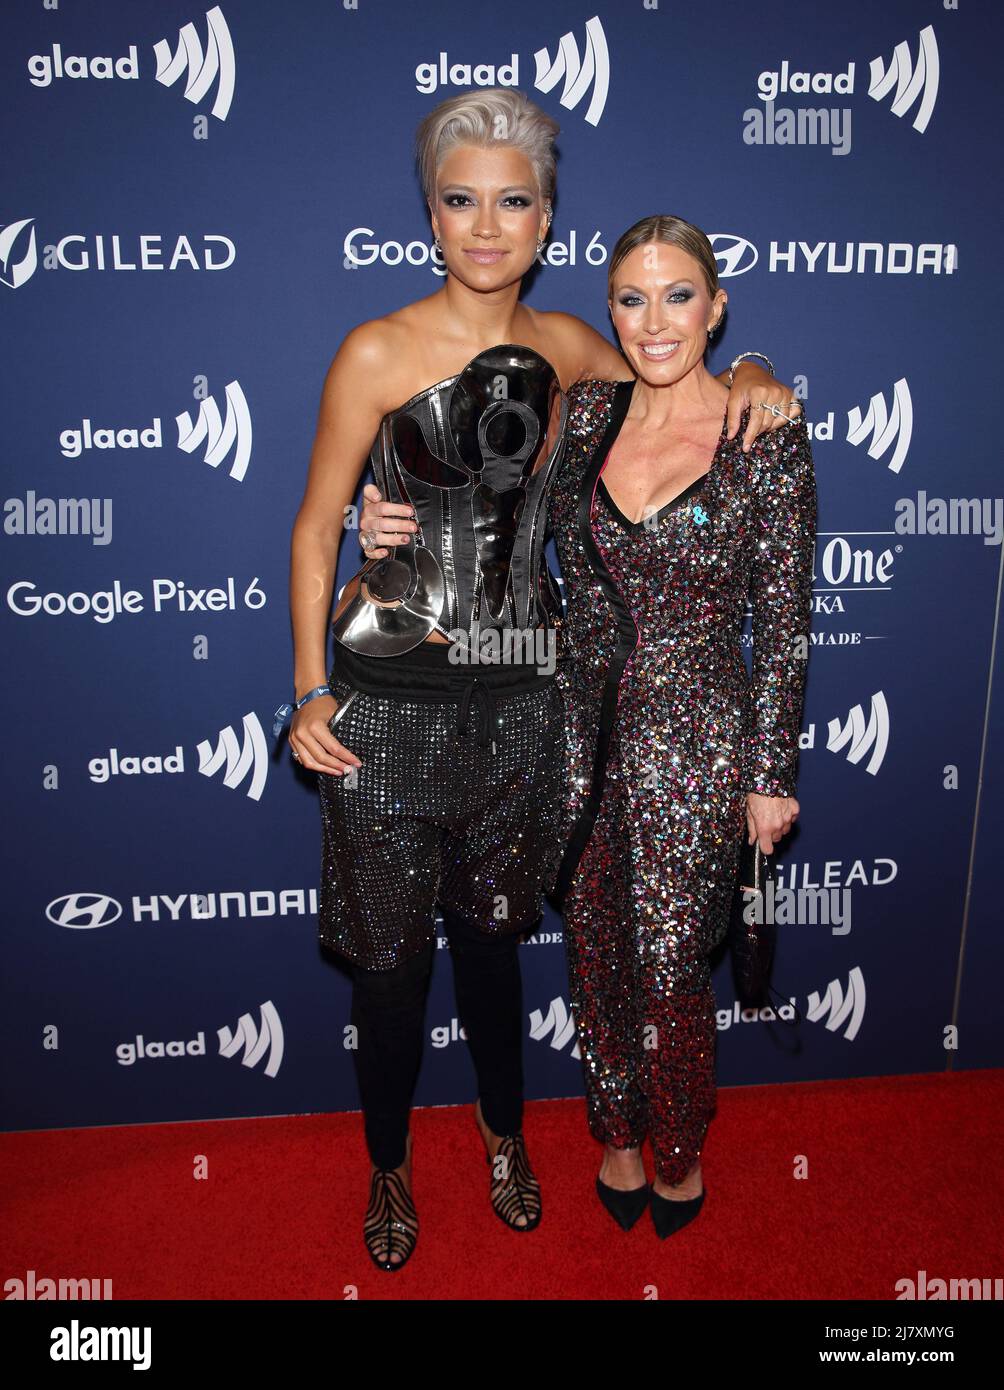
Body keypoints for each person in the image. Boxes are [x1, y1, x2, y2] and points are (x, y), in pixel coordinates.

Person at [287, 90, 795, 1272]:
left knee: (495, 950)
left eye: (509, 201)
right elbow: (316, 529)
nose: (483, 224)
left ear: (545, 219)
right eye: (460, 200)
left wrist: (760, 358)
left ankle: (505, 1138)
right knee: (389, 973)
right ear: (429, 217)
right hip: (385, 703)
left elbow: (682, 369)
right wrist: (307, 690)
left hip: (523, 701)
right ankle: (388, 1165)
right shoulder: (373, 348)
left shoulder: (575, 347)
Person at [546, 215, 815, 1238]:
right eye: (628, 297)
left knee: (669, 961)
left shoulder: (764, 436)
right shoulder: (581, 419)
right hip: (580, 736)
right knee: (593, 952)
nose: (651, 321)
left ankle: (675, 1148)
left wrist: (768, 771)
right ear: (608, 308)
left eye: (675, 296)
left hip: (698, 742)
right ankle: (613, 1127)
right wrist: (385, 523)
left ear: (714, 305)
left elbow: (783, 618)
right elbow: (489, 515)